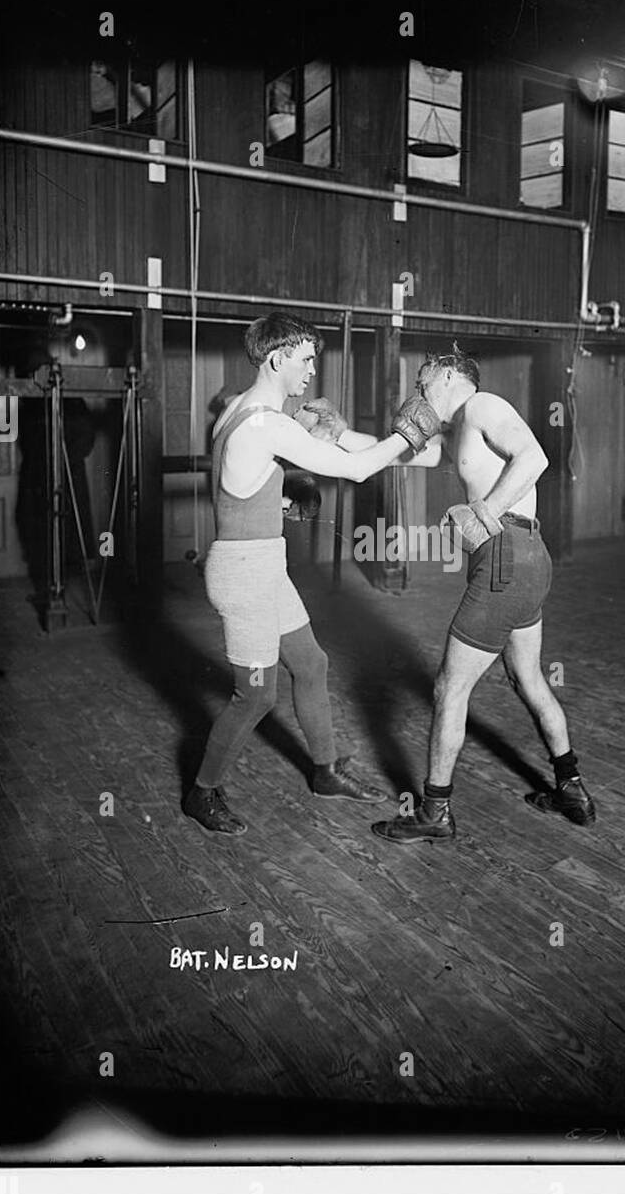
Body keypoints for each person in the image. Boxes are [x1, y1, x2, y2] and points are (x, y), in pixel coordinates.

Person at [302, 342, 595, 844]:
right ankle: (571, 788)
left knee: (448, 689)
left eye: (422, 382)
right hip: (526, 558)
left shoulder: (483, 406)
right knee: (528, 678)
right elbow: (404, 457)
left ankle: (434, 810)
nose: (417, 391)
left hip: (507, 556)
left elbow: (536, 457)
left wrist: (484, 512)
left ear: (447, 374)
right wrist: (340, 433)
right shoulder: (462, 429)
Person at [183, 312, 441, 835]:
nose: (310, 372)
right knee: (255, 695)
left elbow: (238, 485)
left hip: (261, 564)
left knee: (312, 664)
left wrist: (280, 495)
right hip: (245, 575)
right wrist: (408, 433)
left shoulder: (236, 410)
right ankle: (201, 793)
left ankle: (324, 771)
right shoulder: (265, 422)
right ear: (278, 359)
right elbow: (357, 469)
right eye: (304, 360)